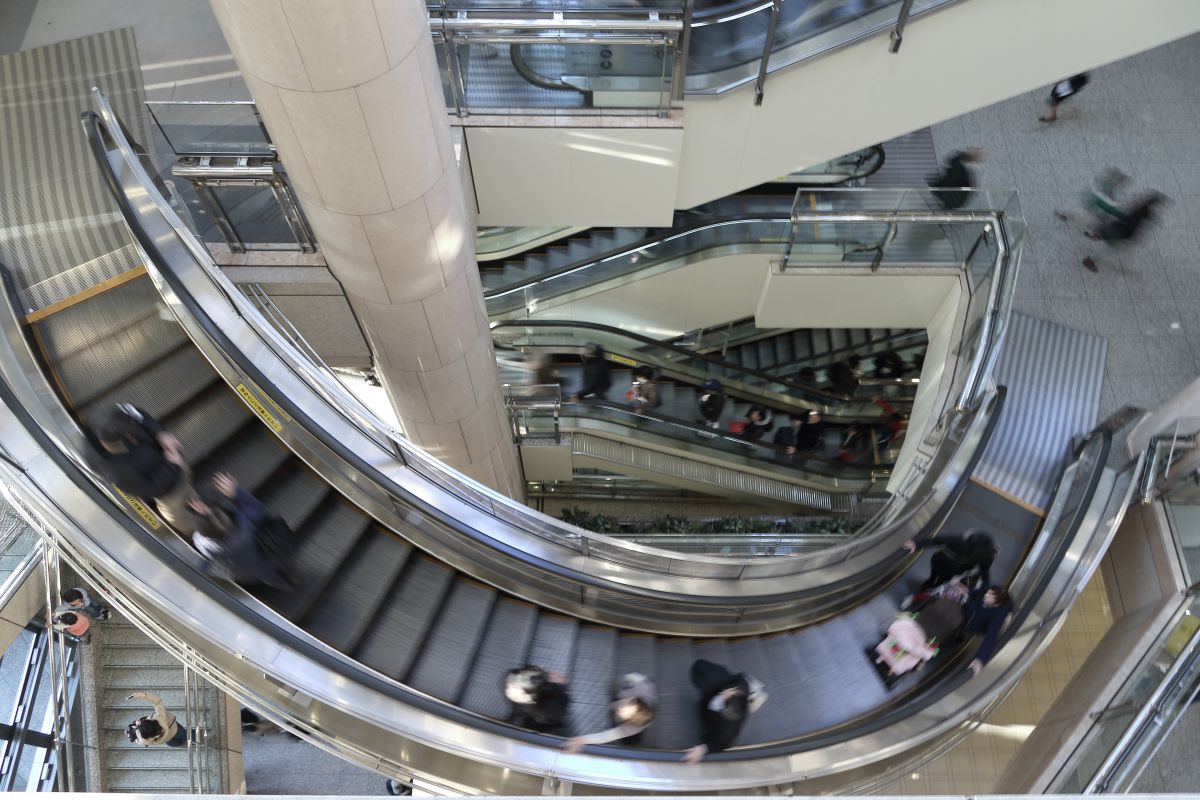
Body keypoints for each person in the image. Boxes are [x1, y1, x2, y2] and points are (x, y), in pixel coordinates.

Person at [87, 403, 199, 532]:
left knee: (190, 490)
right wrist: (172, 465)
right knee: (180, 518)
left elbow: (140, 415)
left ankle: (198, 506)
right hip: (169, 494)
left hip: (174, 463)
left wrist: (160, 433)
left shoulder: (112, 416)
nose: (134, 424)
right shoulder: (114, 471)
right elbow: (151, 489)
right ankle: (194, 531)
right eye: (129, 430)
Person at [188, 473, 293, 590]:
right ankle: (287, 580)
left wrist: (206, 518)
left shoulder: (203, 543)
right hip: (266, 559)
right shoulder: (246, 523)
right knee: (275, 570)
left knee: (268, 577)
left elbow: (207, 551)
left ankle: (284, 585)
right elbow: (259, 510)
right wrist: (236, 493)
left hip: (244, 573)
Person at [681, 659, 767, 764]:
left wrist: (702, 749)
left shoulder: (728, 730)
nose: (729, 692)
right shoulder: (738, 685)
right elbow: (741, 680)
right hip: (718, 697)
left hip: (712, 718)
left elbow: (723, 743)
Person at [564, 672, 656, 752]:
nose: (622, 707)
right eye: (630, 704)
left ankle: (631, 742)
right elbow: (641, 679)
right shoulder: (643, 690)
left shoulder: (630, 728)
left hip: (632, 731)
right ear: (635, 700)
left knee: (630, 739)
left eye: (625, 713)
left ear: (629, 722)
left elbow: (606, 736)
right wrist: (629, 677)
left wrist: (582, 740)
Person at [1081, 192, 1166, 273]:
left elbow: (1138, 218)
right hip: (1118, 231)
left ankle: (1094, 237)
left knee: (1110, 246)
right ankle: (1090, 259)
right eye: (1156, 205)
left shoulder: (1143, 211)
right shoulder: (1139, 211)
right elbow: (1127, 219)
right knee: (1110, 248)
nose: (1157, 208)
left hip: (1120, 232)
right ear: (1150, 204)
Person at [902, 529, 998, 591]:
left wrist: (987, 588)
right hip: (941, 562)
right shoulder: (961, 541)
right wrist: (917, 544)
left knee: (940, 582)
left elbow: (984, 572)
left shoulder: (987, 555)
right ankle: (929, 584)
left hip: (951, 569)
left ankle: (929, 587)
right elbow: (938, 540)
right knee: (935, 578)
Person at [961, 584, 1013, 676]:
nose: (986, 596)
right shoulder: (985, 591)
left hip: (975, 626)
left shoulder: (997, 615)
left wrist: (980, 659)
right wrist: (967, 592)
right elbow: (975, 592)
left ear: (997, 604)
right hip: (966, 615)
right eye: (988, 593)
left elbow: (991, 636)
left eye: (990, 597)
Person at [504, 665, 570, 733]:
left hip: (540, 727)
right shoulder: (540, 681)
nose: (552, 673)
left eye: (558, 676)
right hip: (529, 723)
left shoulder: (557, 693)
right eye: (552, 673)